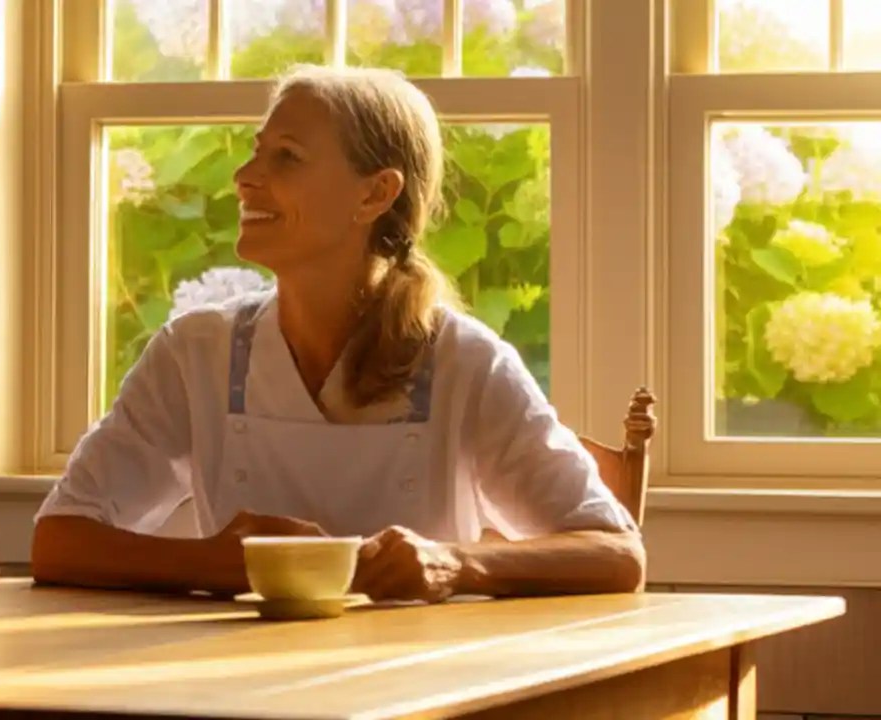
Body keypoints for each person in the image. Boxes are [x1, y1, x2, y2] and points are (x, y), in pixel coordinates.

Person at [31, 65, 645, 603]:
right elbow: (58, 541)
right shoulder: (194, 353)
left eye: (286, 157)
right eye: (255, 151)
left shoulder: (465, 361)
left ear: (375, 193)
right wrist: (216, 564)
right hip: (233, 678)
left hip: (417, 679)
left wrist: (455, 563)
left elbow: (618, 554)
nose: (244, 176)